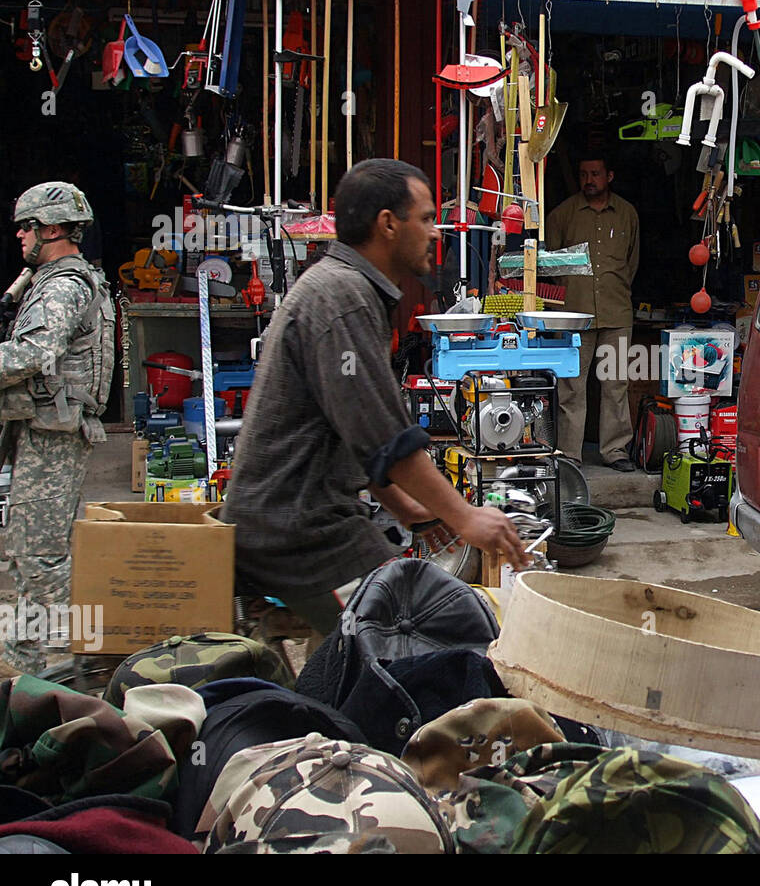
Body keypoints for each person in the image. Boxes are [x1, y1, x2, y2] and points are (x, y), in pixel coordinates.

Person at [220, 159, 526, 636]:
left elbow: (356, 430)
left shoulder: (346, 287)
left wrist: (414, 511)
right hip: (296, 531)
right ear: (388, 224)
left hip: (310, 520)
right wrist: (464, 516)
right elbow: (387, 441)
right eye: (425, 218)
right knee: (422, 634)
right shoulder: (343, 297)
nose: (434, 233)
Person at [0, 182, 115, 676]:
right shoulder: (46, 280)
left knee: (41, 557)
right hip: (43, 427)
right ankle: (21, 664)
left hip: (55, 434)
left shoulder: (63, 286)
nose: (20, 238)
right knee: (27, 556)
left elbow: (31, 354)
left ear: (50, 229)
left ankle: (94, 658)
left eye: (26, 228)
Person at [545, 154, 640, 471]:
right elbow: (551, 265)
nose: (589, 180)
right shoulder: (562, 214)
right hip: (574, 315)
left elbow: (632, 263)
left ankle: (615, 451)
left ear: (609, 176)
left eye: (596, 174)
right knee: (571, 386)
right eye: (584, 174)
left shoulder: (627, 214)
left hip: (617, 313)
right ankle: (570, 453)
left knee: (616, 384)